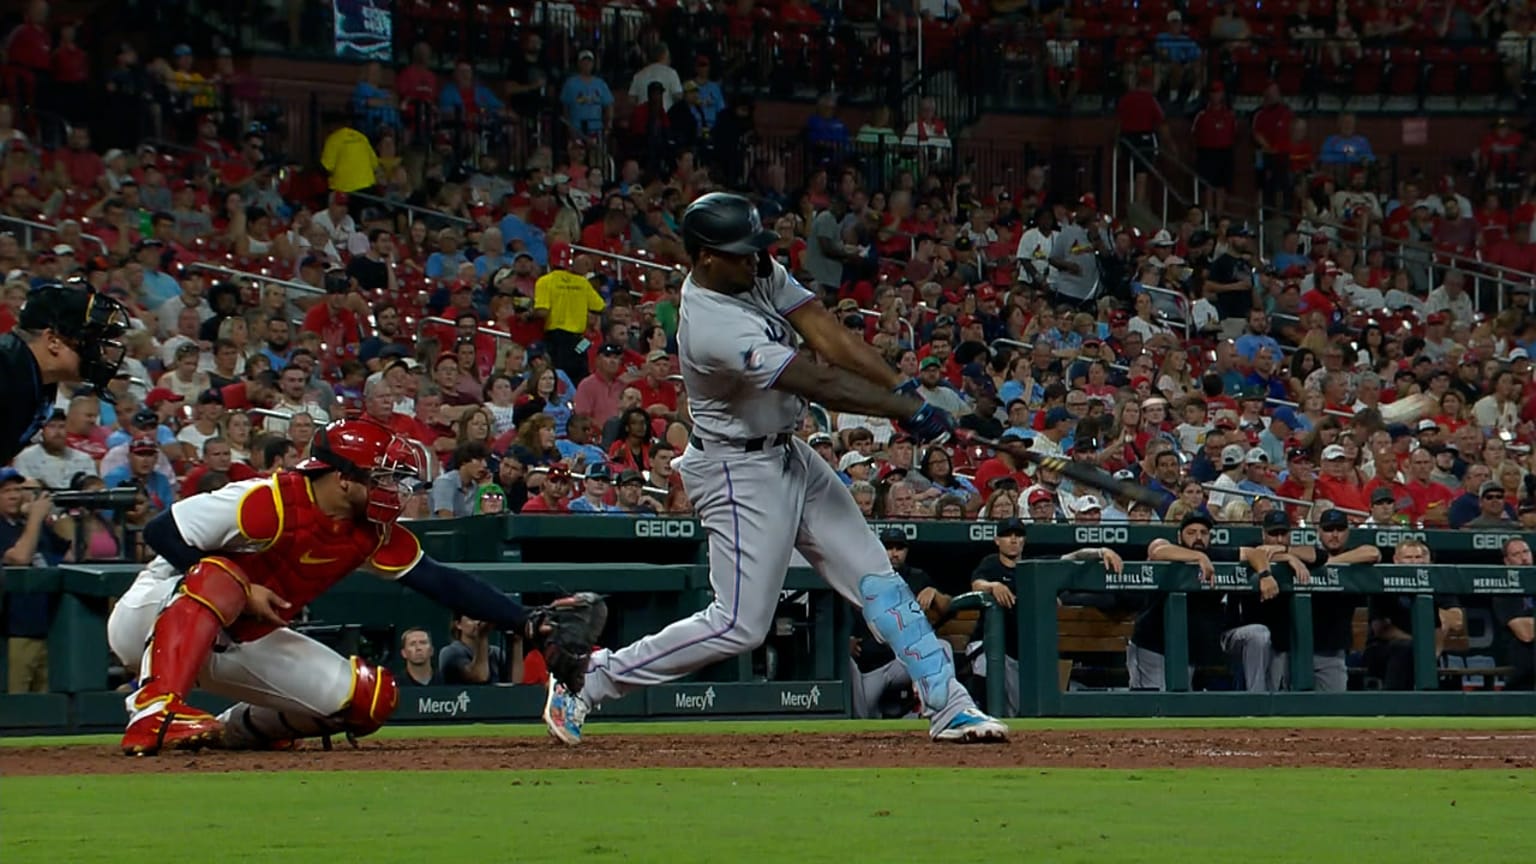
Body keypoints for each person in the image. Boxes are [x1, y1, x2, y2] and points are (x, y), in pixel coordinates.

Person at [543, 193, 1007, 745]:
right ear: (704, 257)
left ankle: (949, 703)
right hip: (735, 471)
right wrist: (908, 412)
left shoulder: (752, 270)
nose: (757, 261)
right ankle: (593, 676)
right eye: (742, 253)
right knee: (739, 625)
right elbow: (816, 380)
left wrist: (903, 389)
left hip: (787, 452)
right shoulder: (711, 326)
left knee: (877, 577)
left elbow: (823, 331)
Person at [105, 419, 603, 755]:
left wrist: (527, 622)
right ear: (343, 479)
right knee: (226, 575)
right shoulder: (266, 500)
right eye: (384, 478)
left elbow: (439, 580)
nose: (396, 491)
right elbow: (161, 532)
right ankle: (154, 709)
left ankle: (232, 732)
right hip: (152, 620)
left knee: (368, 699)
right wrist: (247, 591)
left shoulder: (368, 531)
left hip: (238, 638)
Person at [0, 283, 130, 464]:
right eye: (89, 341)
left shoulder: (39, 380)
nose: (99, 353)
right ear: (53, 341)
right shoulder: (6, 370)